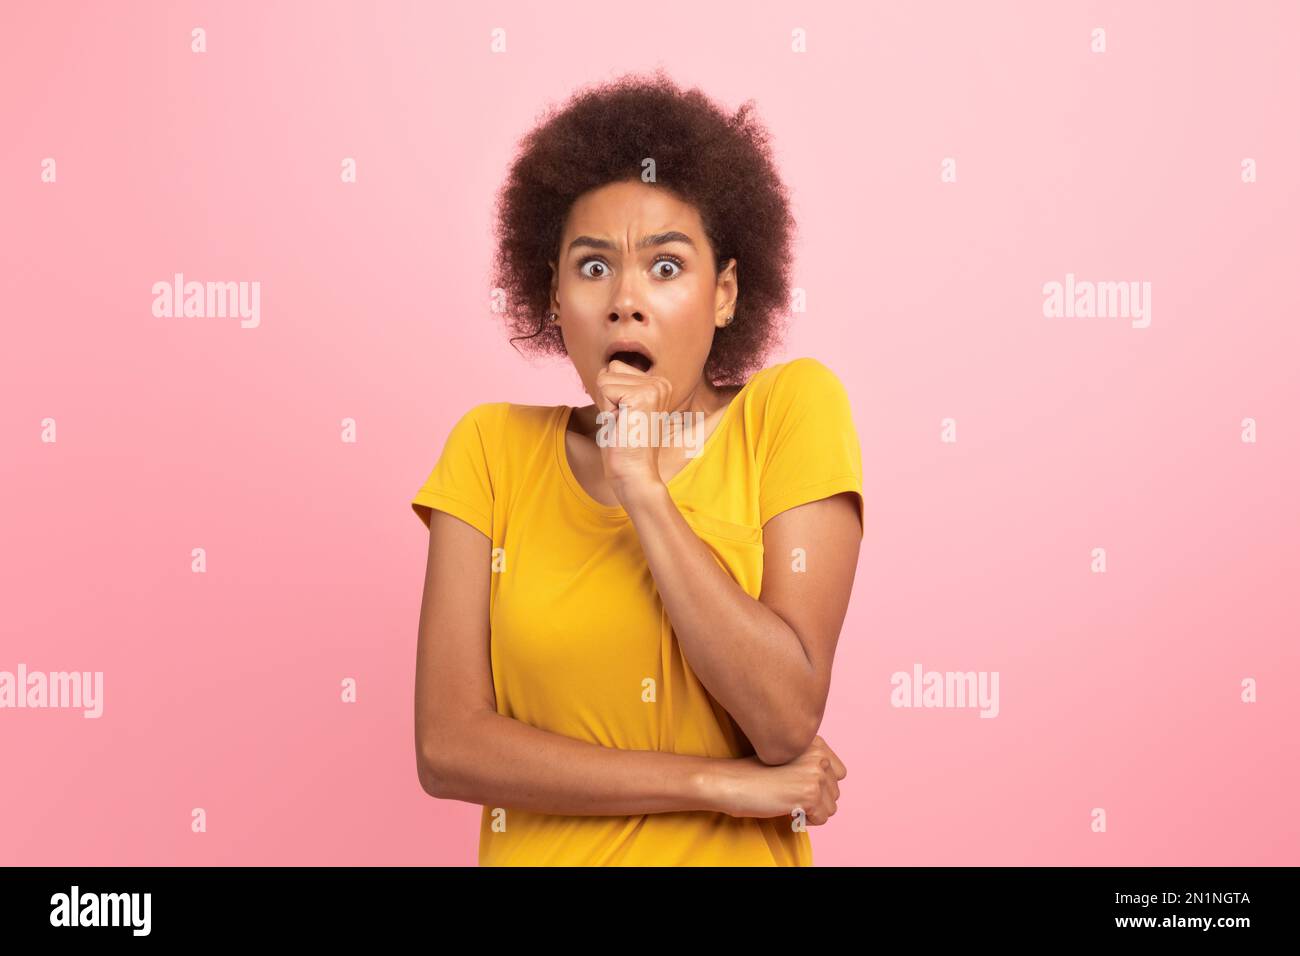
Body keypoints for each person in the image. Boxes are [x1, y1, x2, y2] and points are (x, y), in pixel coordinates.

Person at [411, 70, 863, 866]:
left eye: (665, 267)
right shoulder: (488, 450)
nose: (625, 299)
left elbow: (786, 719)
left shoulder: (791, 412)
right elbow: (448, 750)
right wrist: (715, 786)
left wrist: (644, 491)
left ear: (724, 293)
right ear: (552, 299)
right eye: (591, 268)